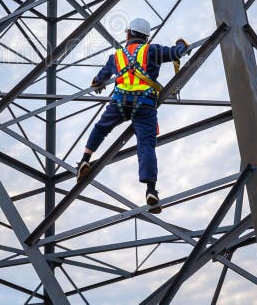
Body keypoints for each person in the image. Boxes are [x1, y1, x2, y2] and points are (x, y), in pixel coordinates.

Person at [77, 18, 190, 213]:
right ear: (146, 38)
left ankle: (85, 159)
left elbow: (100, 78)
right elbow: (176, 53)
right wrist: (182, 44)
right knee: (146, 144)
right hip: (144, 104)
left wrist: (96, 83)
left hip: (119, 103)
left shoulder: (116, 56)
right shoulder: (151, 50)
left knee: (101, 128)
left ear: (128, 34)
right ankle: (150, 189)